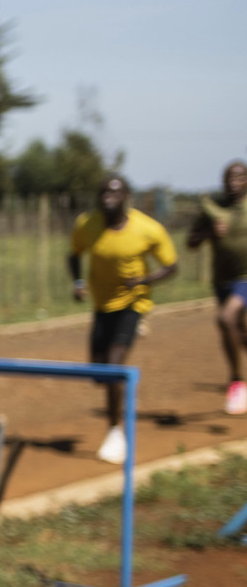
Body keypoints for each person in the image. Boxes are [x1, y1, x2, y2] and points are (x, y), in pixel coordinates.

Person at [69, 175, 178, 463]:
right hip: (102, 305)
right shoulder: (87, 225)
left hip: (133, 303)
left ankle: (116, 432)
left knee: (114, 365)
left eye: (115, 192)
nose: (109, 196)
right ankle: (115, 391)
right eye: (104, 191)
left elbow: (171, 266)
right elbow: (74, 254)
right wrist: (78, 282)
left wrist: (145, 278)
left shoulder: (147, 229)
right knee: (98, 374)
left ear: (126, 196)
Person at [186, 158, 247, 416]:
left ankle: (237, 383)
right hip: (221, 280)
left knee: (225, 319)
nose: (234, 182)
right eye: (229, 178)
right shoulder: (212, 209)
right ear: (223, 182)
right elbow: (191, 242)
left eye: (240, 177)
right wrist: (209, 233)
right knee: (238, 332)